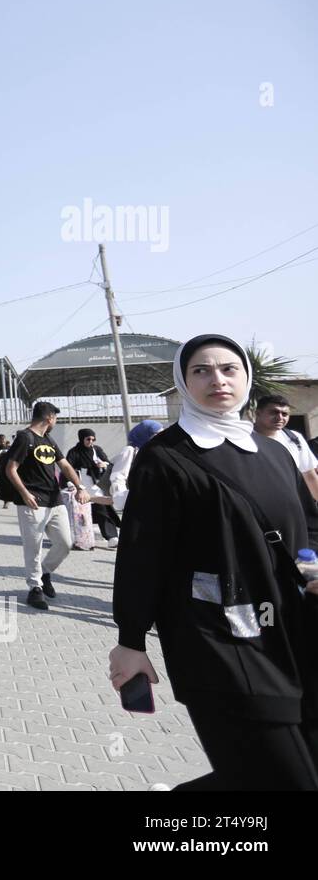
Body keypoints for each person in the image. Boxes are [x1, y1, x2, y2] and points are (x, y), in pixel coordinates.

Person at [109, 334, 318, 790]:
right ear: (183, 383)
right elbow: (143, 556)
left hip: (294, 635)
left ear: (246, 378)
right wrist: (130, 641)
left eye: (228, 368)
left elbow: (307, 530)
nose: (217, 379)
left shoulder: (276, 453)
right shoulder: (164, 459)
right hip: (220, 643)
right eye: (200, 370)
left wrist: (314, 573)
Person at [2, 401, 91, 610]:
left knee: (65, 543)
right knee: (33, 547)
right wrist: (24, 493)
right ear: (49, 417)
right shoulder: (24, 437)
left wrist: (80, 486)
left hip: (54, 499)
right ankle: (35, 588)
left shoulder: (48, 438)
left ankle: (45, 572)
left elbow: (65, 465)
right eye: (55, 418)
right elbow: (10, 468)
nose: (55, 421)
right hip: (32, 503)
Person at [252, 394, 318, 503]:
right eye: (274, 412)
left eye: (285, 414)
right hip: (259, 504)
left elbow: (309, 475)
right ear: (258, 413)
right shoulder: (243, 439)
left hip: (293, 504)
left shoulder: (295, 438)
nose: (280, 417)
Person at [65, 428, 122, 547]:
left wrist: (103, 464)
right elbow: (68, 468)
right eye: (88, 439)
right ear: (82, 438)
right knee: (81, 512)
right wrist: (72, 484)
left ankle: (112, 537)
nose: (91, 441)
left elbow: (107, 462)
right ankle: (80, 537)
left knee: (103, 508)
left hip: (96, 483)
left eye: (93, 439)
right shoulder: (74, 452)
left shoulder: (97, 450)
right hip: (82, 483)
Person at [104, 419, 162, 513]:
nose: (160, 437)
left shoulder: (153, 451)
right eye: (156, 434)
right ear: (145, 434)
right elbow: (118, 477)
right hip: (136, 502)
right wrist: (121, 499)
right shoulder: (130, 450)